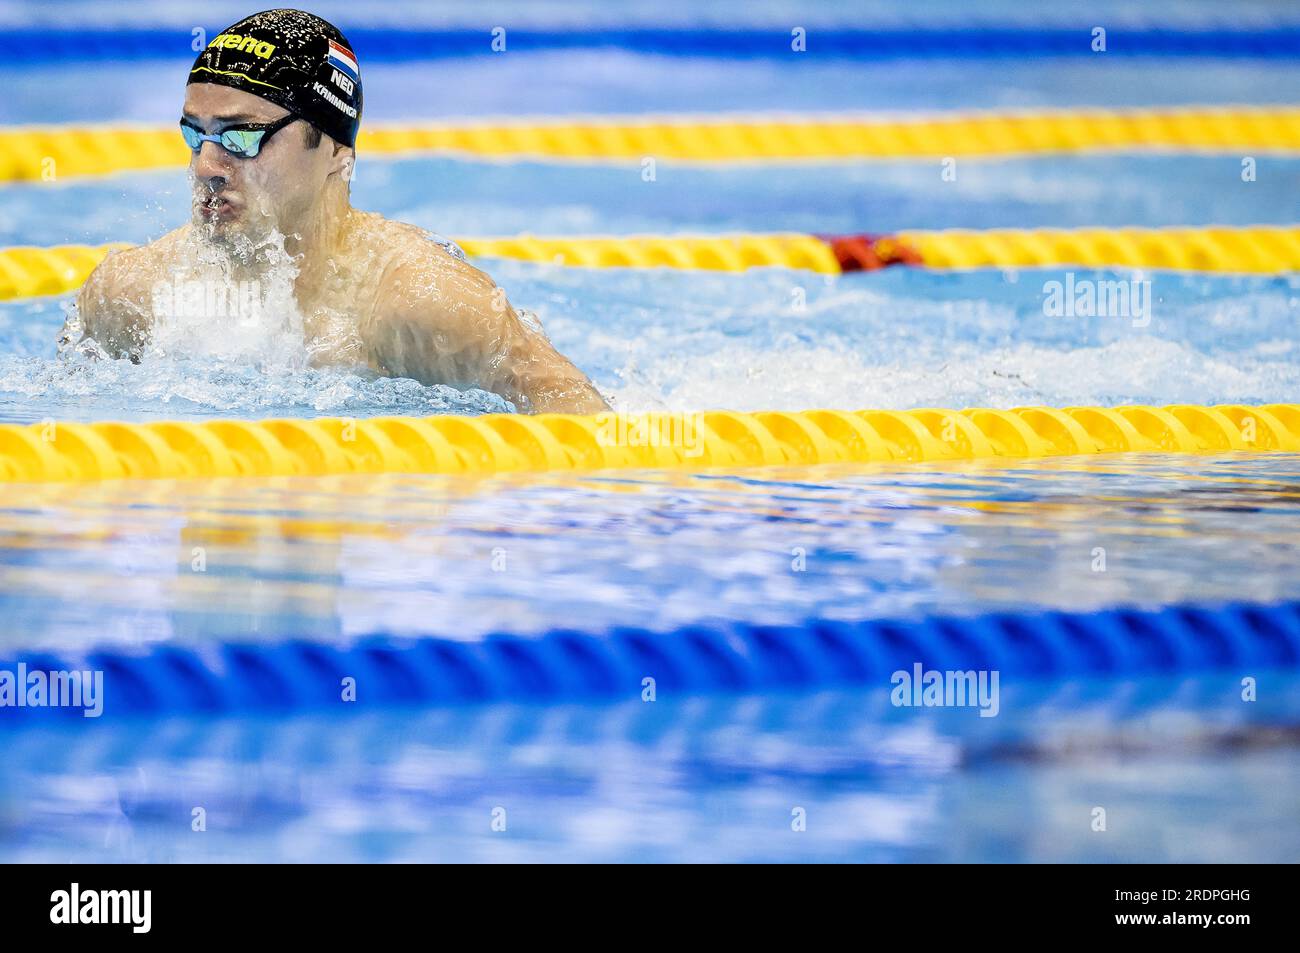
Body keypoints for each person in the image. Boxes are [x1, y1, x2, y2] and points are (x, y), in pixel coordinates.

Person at [73, 8, 610, 415]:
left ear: (335, 150)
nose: (207, 166)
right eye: (196, 135)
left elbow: (584, 429)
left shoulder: (418, 303)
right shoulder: (132, 295)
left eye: (241, 137)